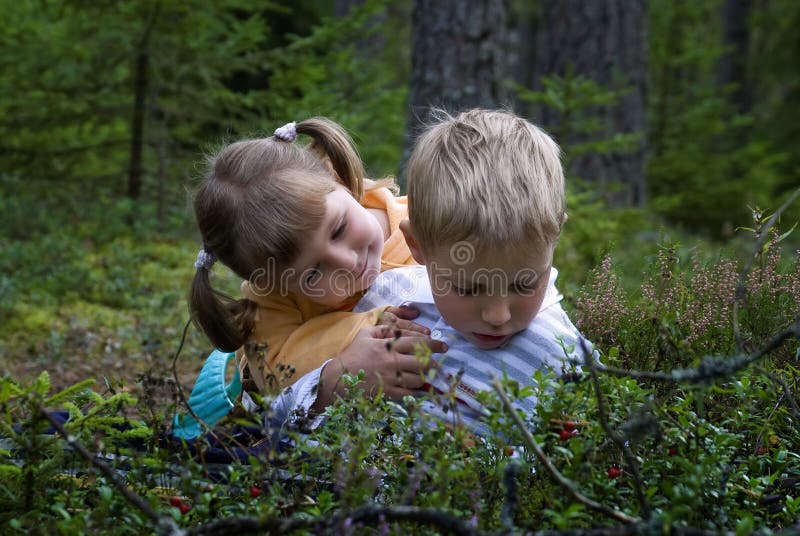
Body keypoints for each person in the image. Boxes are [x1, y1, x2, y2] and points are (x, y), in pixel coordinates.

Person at [271, 108, 592, 435]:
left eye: (524, 283)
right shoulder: (387, 298)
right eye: (467, 289)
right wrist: (332, 386)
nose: (497, 315)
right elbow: (275, 426)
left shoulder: (563, 356)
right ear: (416, 245)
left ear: (555, 236)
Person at [188, 117, 445, 399]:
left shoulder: (431, 220)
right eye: (312, 273)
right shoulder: (274, 301)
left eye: (338, 230)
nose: (346, 263)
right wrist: (355, 347)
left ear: (337, 178)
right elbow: (270, 371)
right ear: (273, 283)